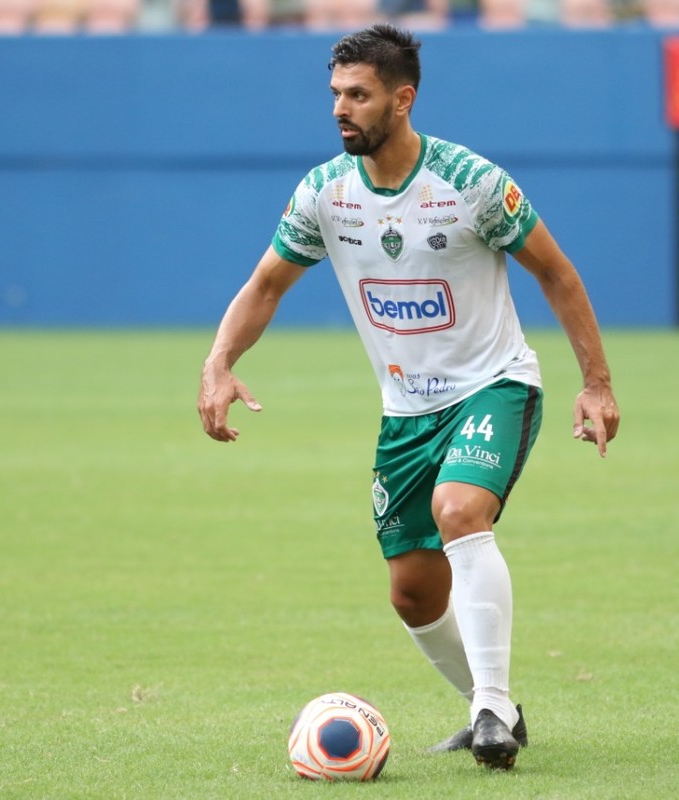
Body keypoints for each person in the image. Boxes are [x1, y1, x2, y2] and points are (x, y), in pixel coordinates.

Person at [197, 23, 619, 771]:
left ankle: (489, 707)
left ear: (403, 98)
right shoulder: (325, 194)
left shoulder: (473, 184)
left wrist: (596, 384)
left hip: (495, 386)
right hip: (405, 416)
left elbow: (557, 272)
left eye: (357, 95)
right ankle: (498, 707)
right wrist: (220, 361)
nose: (340, 108)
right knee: (413, 595)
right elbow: (266, 283)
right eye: (335, 94)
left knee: (460, 510)